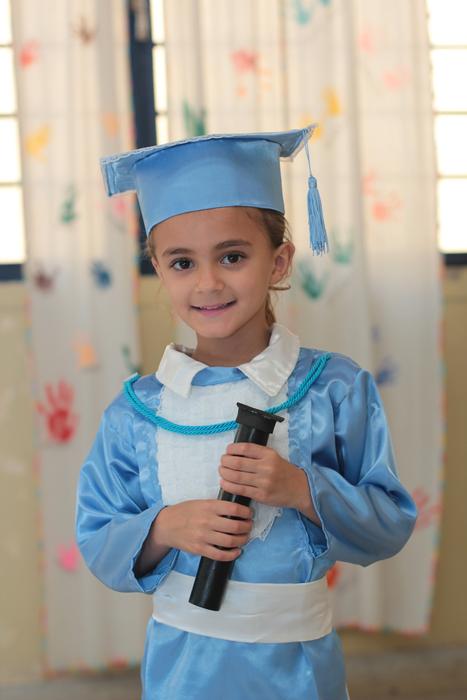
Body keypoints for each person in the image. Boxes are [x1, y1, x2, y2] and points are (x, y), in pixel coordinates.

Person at [76, 125, 417, 700]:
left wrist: (301, 489)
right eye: (181, 263)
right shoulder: (137, 411)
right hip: (182, 668)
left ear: (279, 261)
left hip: (297, 669)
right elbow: (98, 536)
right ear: (158, 269)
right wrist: (163, 528)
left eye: (232, 256)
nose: (208, 283)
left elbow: (388, 524)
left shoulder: (332, 388)